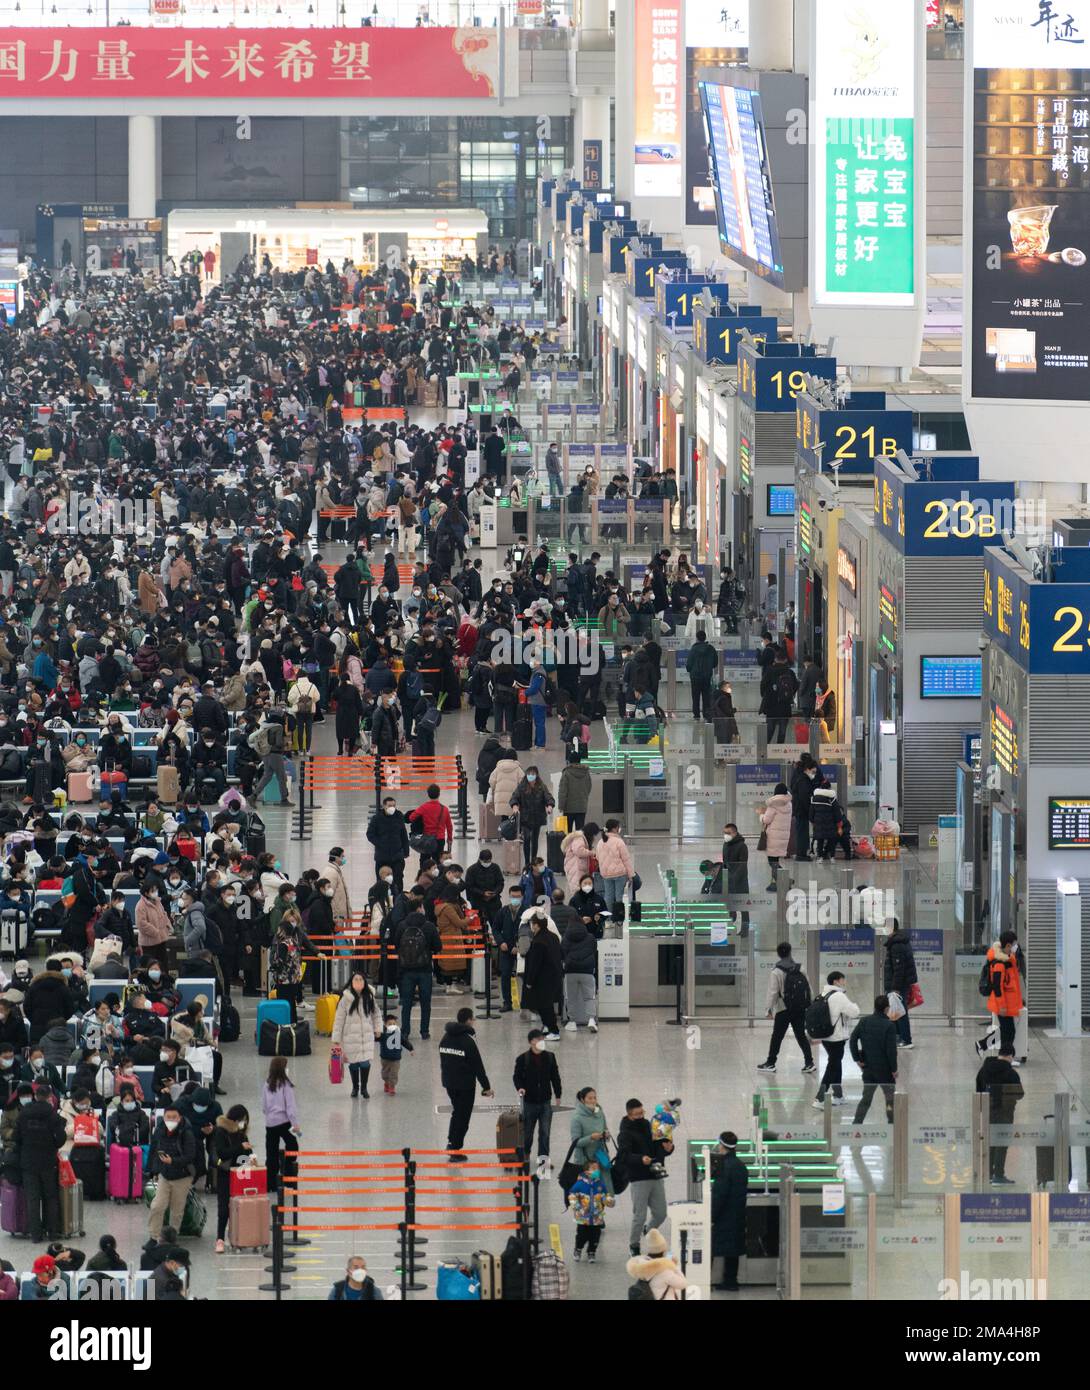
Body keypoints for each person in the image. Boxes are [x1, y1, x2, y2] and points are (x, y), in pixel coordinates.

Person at [617, 1097, 672, 1257]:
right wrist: (640, 1159)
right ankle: (634, 1244)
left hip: (656, 1174)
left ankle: (648, 1229)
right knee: (639, 1215)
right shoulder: (625, 1133)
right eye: (637, 1114)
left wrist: (668, 1148)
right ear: (629, 1115)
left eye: (642, 1112)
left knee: (661, 1213)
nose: (641, 1116)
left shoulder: (649, 1126)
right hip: (639, 1178)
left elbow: (658, 1147)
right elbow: (624, 1156)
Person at [13, 1081, 67, 1242]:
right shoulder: (52, 1115)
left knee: (32, 1198)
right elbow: (61, 1138)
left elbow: (16, 1137)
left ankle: (35, 1234)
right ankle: (52, 1232)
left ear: (36, 1096)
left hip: (28, 1161)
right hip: (48, 1161)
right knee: (50, 1197)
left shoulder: (24, 1113)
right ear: (49, 1097)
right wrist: (53, 1146)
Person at [438, 1006, 494, 1161]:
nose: (474, 1021)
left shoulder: (445, 1037)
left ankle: (451, 1143)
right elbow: (478, 1065)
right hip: (465, 1085)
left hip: (449, 1082)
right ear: (469, 1020)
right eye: (473, 1019)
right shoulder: (468, 1041)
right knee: (463, 1117)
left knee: (457, 1112)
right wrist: (486, 1087)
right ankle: (454, 1148)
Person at [757, 941, 815, 1074]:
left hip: (784, 1009)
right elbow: (808, 987)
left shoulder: (776, 971)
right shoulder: (800, 968)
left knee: (777, 1036)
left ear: (778, 954)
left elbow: (772, 992)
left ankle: (771, 1063)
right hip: (800, 1008)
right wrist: (810, 1003)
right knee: (800, 1035)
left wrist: (768, 1010)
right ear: (790, 952)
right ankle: (809, 1062)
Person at [513, 1028, 562, 1175]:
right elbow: (516, 1076)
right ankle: (525, 1157)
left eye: (542, 1039)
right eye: (538, 1039)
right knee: (527, 1132)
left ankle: (543, 1160)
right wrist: (520, 1087)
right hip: (529, 1102)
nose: (541, 1042)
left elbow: (555, 1077)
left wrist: (558, 1095)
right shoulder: (523, 1059)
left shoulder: (550, 1057)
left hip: (545, 1101)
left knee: (545, 1133)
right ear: (531, 1042)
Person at [146, 1104, 198, 1241]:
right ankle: (154, 1236)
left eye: (174, 1117)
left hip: (182, 1176)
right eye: (168, 1117)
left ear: (180, 1118)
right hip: (165, 1174)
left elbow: (190, 1156)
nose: (171, 1120)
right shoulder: (159, 1130)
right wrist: (154, 1171)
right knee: (157, 1206)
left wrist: (173, 1161)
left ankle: (171, 1238)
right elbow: (154, 1150)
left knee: (177, 1211)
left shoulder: (186, 1133)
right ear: (163, 1117)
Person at [975, 1045, 1024, 1185]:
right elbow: (1019, 1094)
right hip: (1005, 1113)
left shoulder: (983, 1070)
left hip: (986, 1111)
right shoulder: (1011, 1073)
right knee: (1001, 1142)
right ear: (1010, 1056)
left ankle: (988, 1173)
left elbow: (978, 1091)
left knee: (989, 1141)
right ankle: (998, 1175)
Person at [811, 971, 861, 1107]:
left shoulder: (822, 995)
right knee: (832, 1066)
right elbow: (854, 1012)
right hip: (836, 1037)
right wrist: (855, 1005)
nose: (844, 982)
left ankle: (838, 1095)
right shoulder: (839, 996)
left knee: (836, 1064)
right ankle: (819, 1098)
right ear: (836, 981)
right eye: (842, 980)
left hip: (826, 1036)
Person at [393, 907, 442, 1041]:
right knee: (426, 1002)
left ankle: (405, 1031)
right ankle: (424, 1031)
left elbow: (396, 944)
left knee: (407, 1003)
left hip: (406, 970)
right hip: (425, 970)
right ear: (420, 909)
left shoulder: (402, 925)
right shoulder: (429, 926)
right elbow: (438, 946)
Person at [331, 972, 382, 1099]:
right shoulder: (345, 999)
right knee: (353, 1064)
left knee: (365, 1063)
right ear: (351, 983)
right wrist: (336, 1038)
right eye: (356, 979)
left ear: (364, 982)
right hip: (351, 1037)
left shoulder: (369, 997)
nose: (358, 981)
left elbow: (376, 1014)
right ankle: (355, 1087)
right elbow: (339, 1019)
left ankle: (364, 1088)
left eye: (361, 979)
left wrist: (378, 1028)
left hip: (366, 1037)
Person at [211, 1104, 254, 1254]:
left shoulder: (241, 1133)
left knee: (240, 1207)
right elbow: (222, 1153)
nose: (244, 1123)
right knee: (224, 1208)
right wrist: (241, 1147)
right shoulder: (220, 1131)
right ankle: (220, 1239)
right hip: (225, 1174)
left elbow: (245, 1154)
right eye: (242, 1120)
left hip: (241, 1174)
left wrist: (250, 1157)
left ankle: (239, 1237)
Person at [849, 996, 899, 1124]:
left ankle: (856, 1123)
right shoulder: (889, 1025)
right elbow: (891, 1051)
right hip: (885, 1071)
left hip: (868, 1068)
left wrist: (857, 1059)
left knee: (866, 1099)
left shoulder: (864, 1021)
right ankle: (891, 1123)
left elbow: (853, 1040)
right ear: (887, 1008)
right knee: (889, 1099)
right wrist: (894, 1069)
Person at [710, 1131, 748, 1292]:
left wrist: (711, 1215)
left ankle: (704, 1279)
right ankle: (731, 1281)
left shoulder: (723, 1167)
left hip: (724, 1214)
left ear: (722, 1145)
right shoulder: (741, 1166)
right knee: (733, 1248)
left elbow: (720, 1194)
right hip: (738, 1213)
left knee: (712, 1246)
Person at [261, 1056, 301, 1191]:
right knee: (292, 1145)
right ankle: (289, 1176)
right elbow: (291, 1107)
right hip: (284, 1122)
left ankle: (270, 1183)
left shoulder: (267, 1083)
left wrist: (269, 1116)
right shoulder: (286, 1085)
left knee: (271, 1153)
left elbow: (264, 1106)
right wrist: (295, 1125)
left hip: (270, 1124)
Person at [522, 912, 564, 1041]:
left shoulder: (539, 941)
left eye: (532, 924)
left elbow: (535, 964)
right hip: (554, 976)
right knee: (546, 1004)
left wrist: (529, 981)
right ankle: (546, 1026)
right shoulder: (553, 937)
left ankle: (554, 1030)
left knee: (544, 1005)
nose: (531, 927)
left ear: (536, 925)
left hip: (542, 980)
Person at [568, 1155, 614, 1264]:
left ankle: (592, 1251)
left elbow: (604, 1195)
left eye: (597, 1168)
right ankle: (578, 1249)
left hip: (597, 1217)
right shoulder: (579, 1184)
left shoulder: (600, 1184)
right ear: (587, 1171)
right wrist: (577, 1207)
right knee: (582, 1235)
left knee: (595, 1236)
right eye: (593, 1168)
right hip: (583, 1217)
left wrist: (608, 1200)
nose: (597, 1170)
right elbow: (572, 1195)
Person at [985, 930, 1025, 1057]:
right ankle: (1004, 1056)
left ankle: (1004, 1055)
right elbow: (997, 986)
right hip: (1003, 1004)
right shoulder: (999, 963)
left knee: (1008, 1030)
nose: (1015, 947)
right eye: (1014, 944)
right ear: (1007, 945)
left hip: (1008, 1003)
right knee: (1008, 1031)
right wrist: (1002, 1006)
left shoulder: (1008, 959)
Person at [509, 765, 554, 871]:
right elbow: (514, 797)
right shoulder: (522, 786)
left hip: (537, 817)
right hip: (525, 818)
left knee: (535, 840)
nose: (530, 776)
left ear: (536, 775)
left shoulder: (541, 786)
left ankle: (533, 860)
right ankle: (527, 863)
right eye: (529, 774)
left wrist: (550, 806)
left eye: (533, 774)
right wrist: (515, 806)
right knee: (527, 839)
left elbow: (548, 797)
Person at [626, 1226, 689, 1299]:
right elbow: (683, 1284)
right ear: (663, 1250)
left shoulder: (641, 1264)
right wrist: (674, 1266)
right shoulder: (665, 1271)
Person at [883, 919, 917, 1050]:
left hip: (898, 985)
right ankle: (898, 1037)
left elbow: (899, 968)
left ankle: (906, 1039)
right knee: (896, 1011)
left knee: (901, 1013)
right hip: (898, 984)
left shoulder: (897, 944)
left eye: (886, 927)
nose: (884, 929)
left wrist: (895, 988)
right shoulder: (898, 941)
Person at [595, 819, 634, 917]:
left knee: (608, 896)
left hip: (606, 874)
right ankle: (619, 917)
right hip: (619, 873)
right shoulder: (618, 842)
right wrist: (631, 875)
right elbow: (626, 859)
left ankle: (608, 919)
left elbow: (598, 857)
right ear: (615, 828)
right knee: (619, 896)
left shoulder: (600, 842)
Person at [789, 754, 823, 863]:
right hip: (802, 809)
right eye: (813, 771)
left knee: (801, 831)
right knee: (802, 832)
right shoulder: (803, 780)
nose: (814, 773)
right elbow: (804, 797)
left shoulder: (798, 775)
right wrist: (810, 812)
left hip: (799, 808)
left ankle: (803, 852)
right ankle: (802, 854)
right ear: (807, 769)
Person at [759, 782, 792, 890]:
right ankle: (781, 881)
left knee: (772, 861)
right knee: (775, 861)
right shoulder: (788, 804)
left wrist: (761, 815)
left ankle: (784, 881)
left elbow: (766, 820)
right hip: (783, 837)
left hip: (773, 837)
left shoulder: (773, 805)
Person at [685, 629, 718, 720]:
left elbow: (689, 664)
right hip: (707, 676)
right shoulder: (711, 648)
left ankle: (696, 714)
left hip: (695, 676)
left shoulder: (693, 649)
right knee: (706, 696)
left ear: (697, 638)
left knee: (695, 696)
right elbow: (715, 663)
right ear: (705, 638)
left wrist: (690, 670)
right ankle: (706, 714)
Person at [378, 1014, 413, 1096]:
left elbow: (404, 1041)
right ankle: (386, 1082)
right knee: (385, 1073)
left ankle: (392, 1087)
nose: (392, 1026)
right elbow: (376, 1038)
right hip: (385, 1058)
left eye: (394, 1024)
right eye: (390, 1024)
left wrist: (411, 1049)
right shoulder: (383, 1034)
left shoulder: (398, 1033)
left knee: (394, 1073)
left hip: (396, 1058)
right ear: (385, 1025)